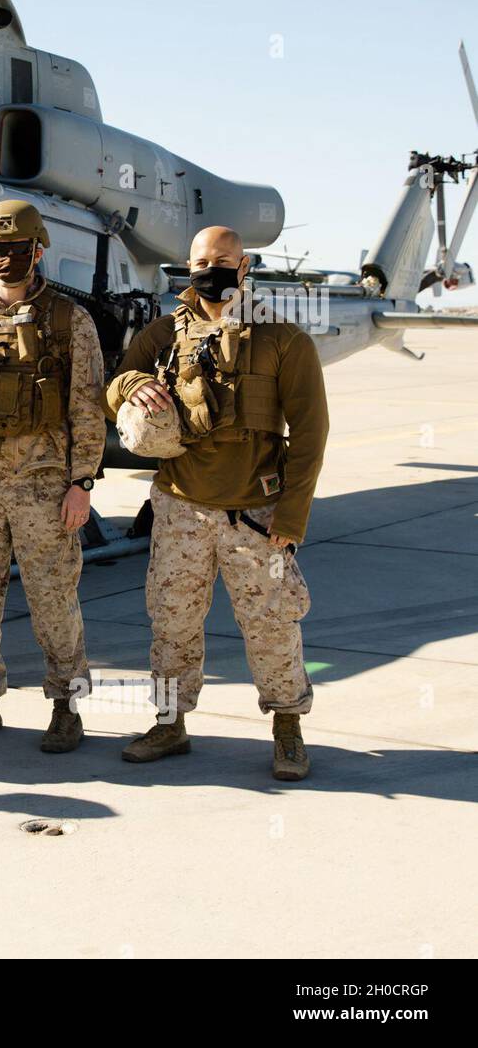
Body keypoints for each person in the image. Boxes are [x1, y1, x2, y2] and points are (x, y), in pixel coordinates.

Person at [106, 225, 328, 780]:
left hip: (255, 514)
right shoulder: (163, 334)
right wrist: (134, 386)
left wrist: (292, 517)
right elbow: (114, 385)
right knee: (172, 620)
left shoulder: (282, 339)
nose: (212, 269)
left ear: (245, 265)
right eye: (202, 260)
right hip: (181, 506)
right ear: (188, 264)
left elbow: (310, 432)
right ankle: (170, 723)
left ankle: (287, 727)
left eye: (223, 260)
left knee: (272, 623)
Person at [0, 199, 107, 749]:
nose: (7, 258)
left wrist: (82, 483)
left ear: (38, 250)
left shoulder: (68, 320)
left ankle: (66, 705)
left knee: (54, 596)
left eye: (19, 249)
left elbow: (87, 405)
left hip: (45, 485)